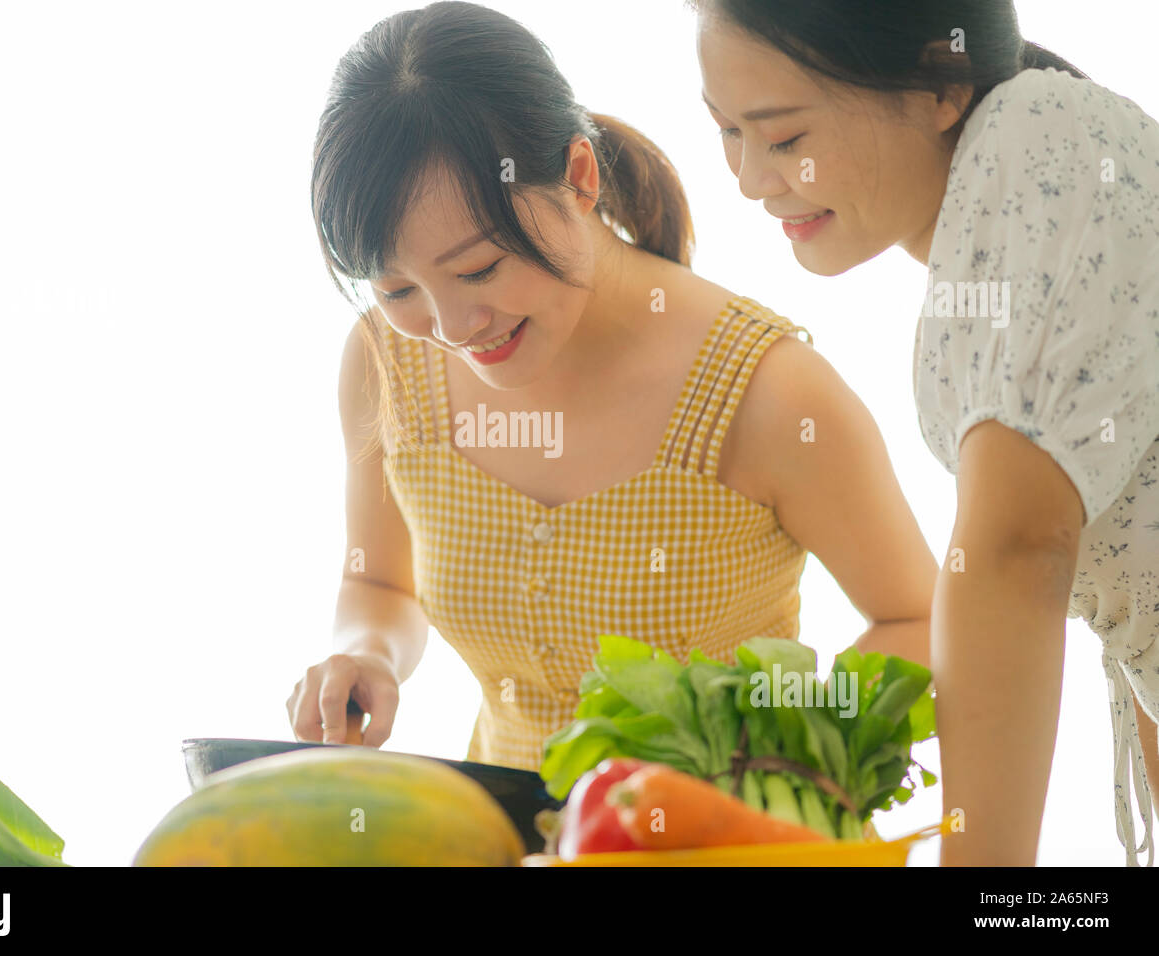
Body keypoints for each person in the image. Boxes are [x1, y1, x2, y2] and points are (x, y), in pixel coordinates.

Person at [289, 0, 937, 776]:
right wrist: (367, 655)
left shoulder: (769, 393)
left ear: (579, 177)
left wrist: (780, 740)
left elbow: (925, 621)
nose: (453, 326)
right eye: (398, 289)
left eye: (478, 269)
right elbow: (376, 579)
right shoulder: (386, 363)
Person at [691, 0, 1159, 866]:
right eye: (726, 131)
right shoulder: (1000, 211)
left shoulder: (1037, 132)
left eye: (785, 138)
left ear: (942, 86)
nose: (752, 179)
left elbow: (1021, 554)